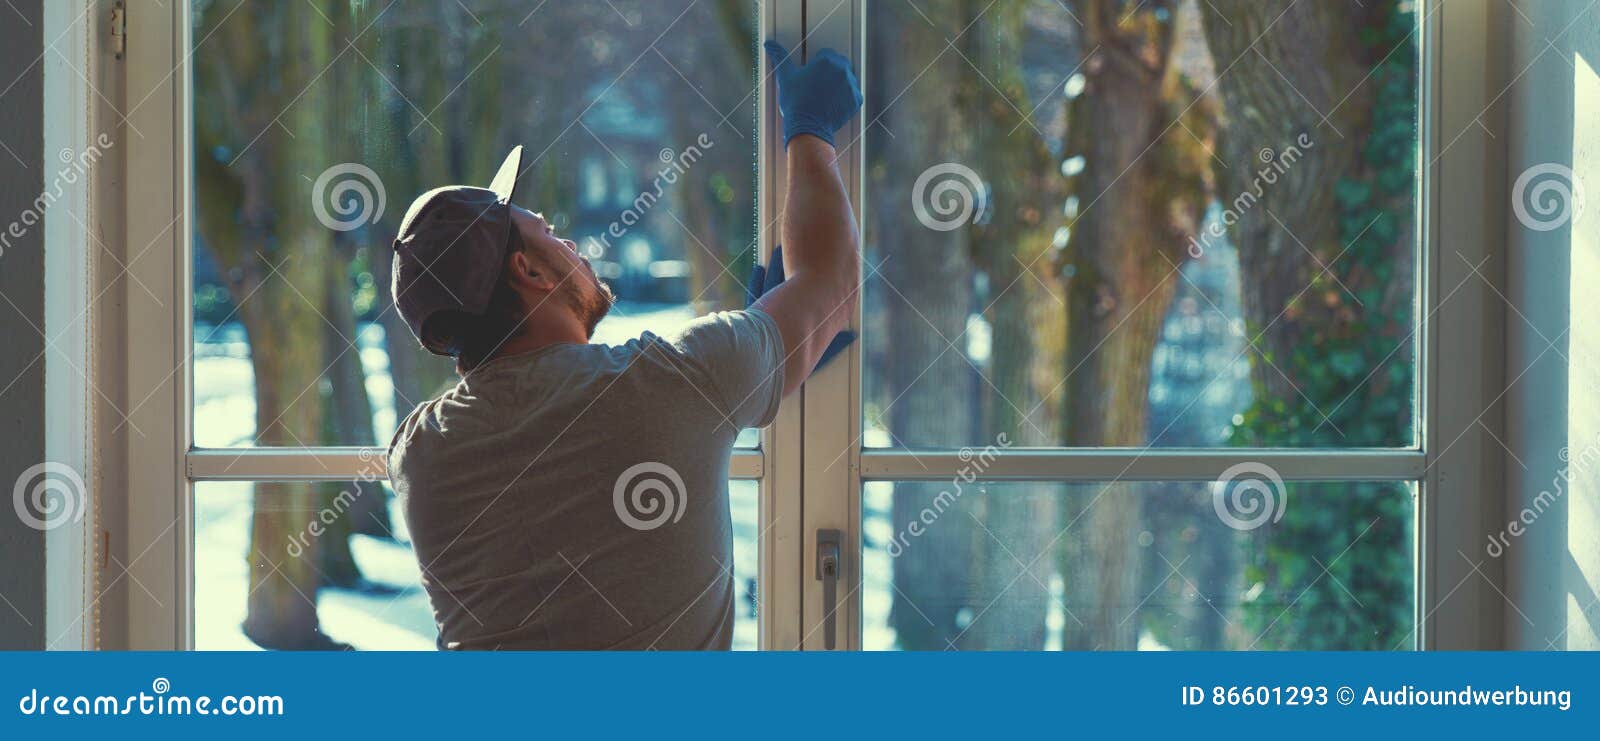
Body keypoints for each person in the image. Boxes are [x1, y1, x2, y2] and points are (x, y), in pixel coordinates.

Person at [386, 41, 862, 649]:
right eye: (550, 234)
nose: (574, 247)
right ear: (529, 274)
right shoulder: (674, 383)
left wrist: (759, 338)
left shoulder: (420, 454)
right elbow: (832, 281)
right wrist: (810, 129)